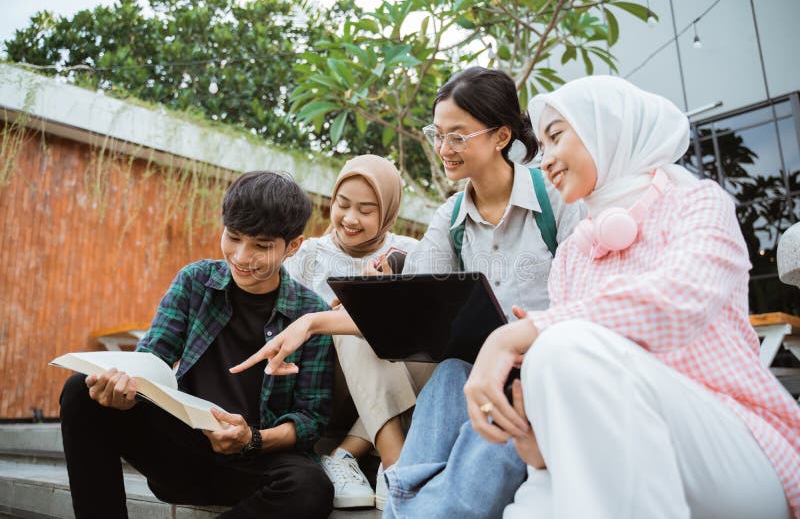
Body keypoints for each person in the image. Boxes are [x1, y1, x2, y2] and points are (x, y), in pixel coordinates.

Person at [231, 66, 582, 515]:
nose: (443, 149)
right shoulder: (449, 218)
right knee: (419, 357)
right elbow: (403, 312)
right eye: (437, 134)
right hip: (459, 370)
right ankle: (396, 468)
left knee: (466, 479)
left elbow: (590, 301)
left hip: (536, 371)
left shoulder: (555, 201)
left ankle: (404, 484)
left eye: (458, 136)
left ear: (500, 136)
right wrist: (312, 321)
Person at [460, 76, 800, 518]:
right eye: (540, 146)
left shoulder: (698, 203)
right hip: (624, 472)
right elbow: (547, 459)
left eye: (557, 136)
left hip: (741, 454)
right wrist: (526, 427)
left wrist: (516, 335)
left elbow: (678, 302)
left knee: (564, 345)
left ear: (610, 127)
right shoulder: (571, 258)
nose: (545, 160)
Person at [59, 171, 336, 519]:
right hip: (183, 451)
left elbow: (310, 419)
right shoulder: (195, 282)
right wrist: (123, 390)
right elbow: (151, 360)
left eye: (261, 246)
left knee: (311, 489)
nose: (241, 256)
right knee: (80, 392)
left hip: (254, 462)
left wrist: (251, 438)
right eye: (233, 237)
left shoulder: (312, 313)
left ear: (292, 246)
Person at [282, 154, 421, 510]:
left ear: (388, 211)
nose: (349, 218)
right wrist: (336, 314)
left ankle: (345, 454)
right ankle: (395, 460)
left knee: (439, 350)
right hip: (325, 385)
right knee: (354, 319)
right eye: (342, 205)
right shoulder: (307, 255)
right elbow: (281, 325)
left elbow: (427, 329)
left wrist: (390, 296)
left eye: (366, 209)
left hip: (396, 384)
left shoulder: (411, 254)